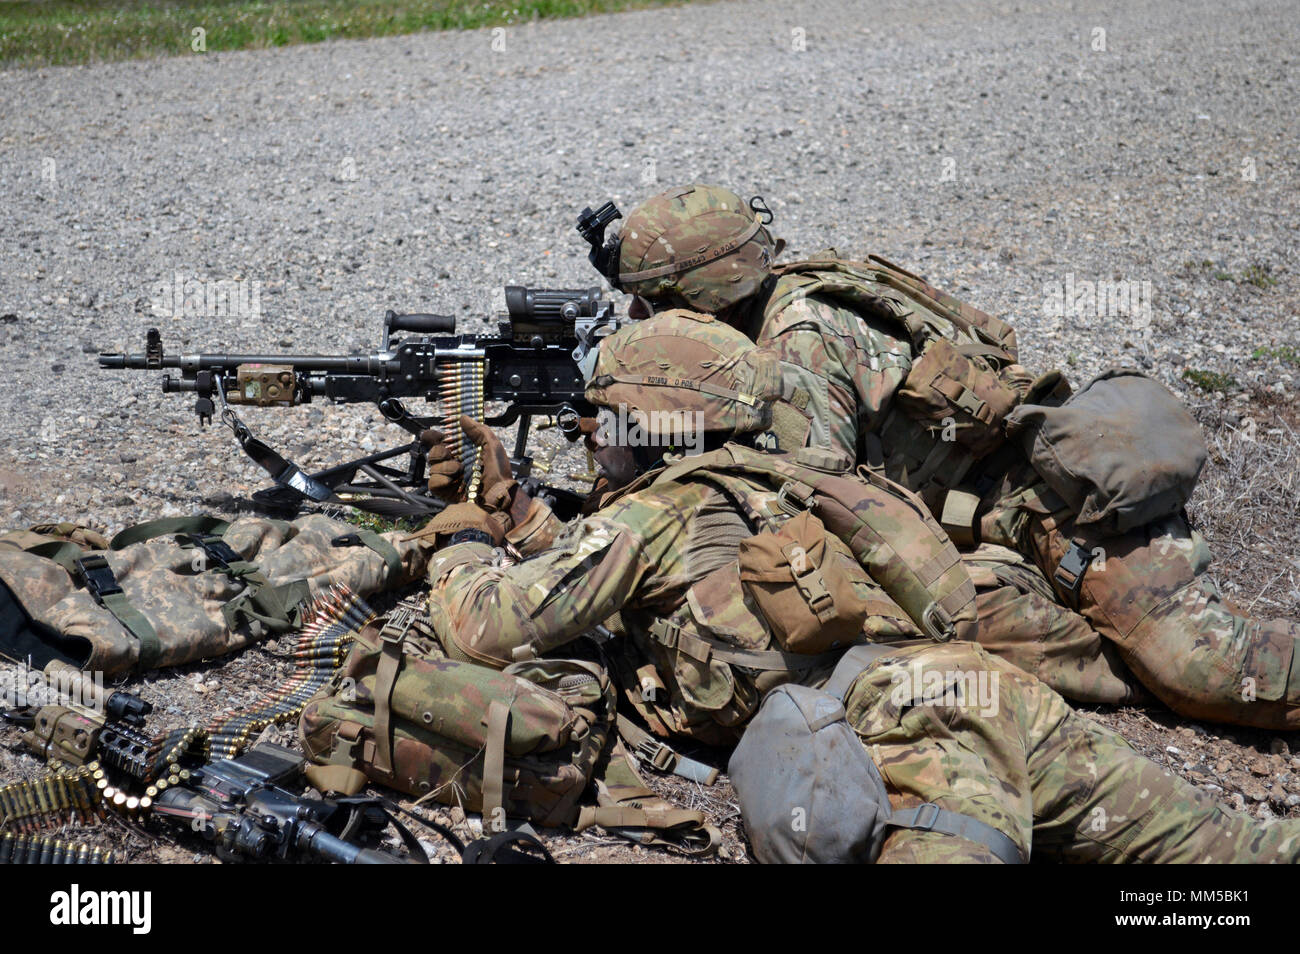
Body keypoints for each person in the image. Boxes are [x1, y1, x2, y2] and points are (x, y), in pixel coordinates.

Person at [417, 313, 1300, 863]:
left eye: (599, 417)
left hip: (911, 740)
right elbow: (649, 574)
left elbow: (483, 629)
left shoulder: (660, 517)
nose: (587, 435)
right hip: (987, 694)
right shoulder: (798, 473)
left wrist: (459, 536)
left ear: (652, 426)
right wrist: (522, 513)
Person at [582, 183, 1300, 730]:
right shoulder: (786, 299)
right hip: (981, 519)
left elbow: (801, 502)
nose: (642, 321)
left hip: (1067, 517)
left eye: (651, 303)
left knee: (1207, 670)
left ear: (700, 294)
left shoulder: (794, 343)